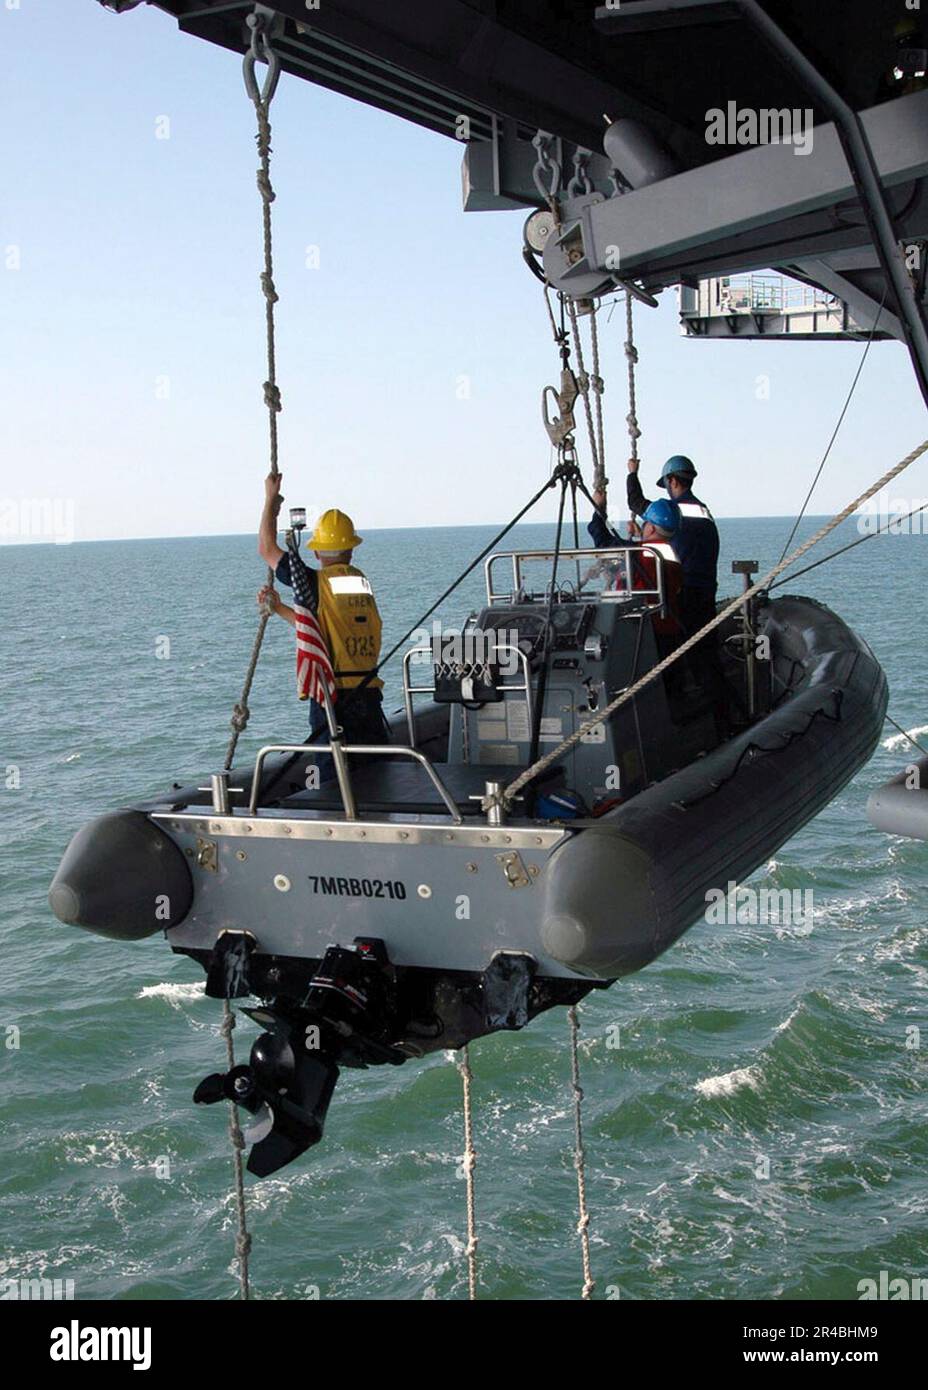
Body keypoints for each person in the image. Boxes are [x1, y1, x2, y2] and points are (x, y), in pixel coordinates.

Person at [257, 471, 388, 745]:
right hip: (369, 699)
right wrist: (280, 608)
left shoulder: (316, 584)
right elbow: (321, 625)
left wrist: (270, 501)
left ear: (316, 552)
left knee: (332, 778)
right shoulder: (361, 583)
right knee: (375, 776)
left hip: (334, 701)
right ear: (351, 549)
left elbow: (267, 549)